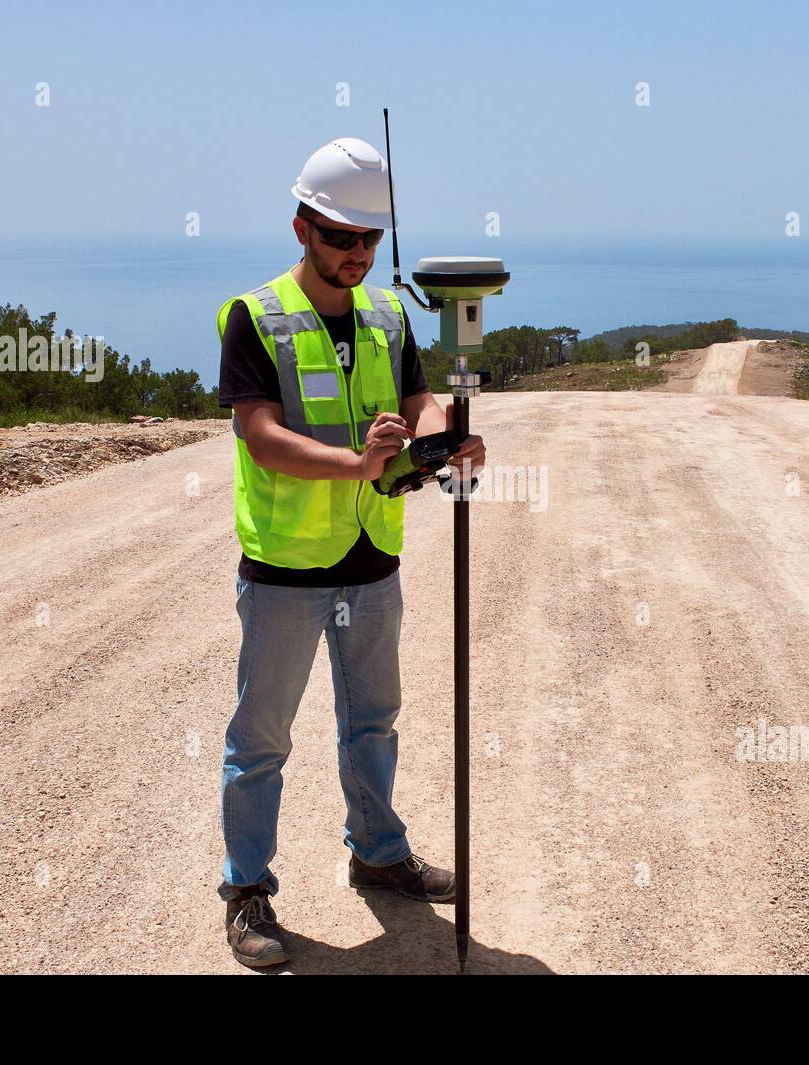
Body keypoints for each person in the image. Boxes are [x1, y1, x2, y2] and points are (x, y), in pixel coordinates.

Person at [214, 136, 486, 967]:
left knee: (374, 721)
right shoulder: (253, 317)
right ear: (302, 227)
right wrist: (357, 463)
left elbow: (419, 399)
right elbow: (261, 437)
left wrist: (451, 437)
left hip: (371, 560)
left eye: (369, 239)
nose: (357, 254)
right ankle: (247, 887)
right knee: (262, 737)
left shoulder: (388, 315)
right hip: (287, 568)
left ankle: (376, 849)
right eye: (340, 237)